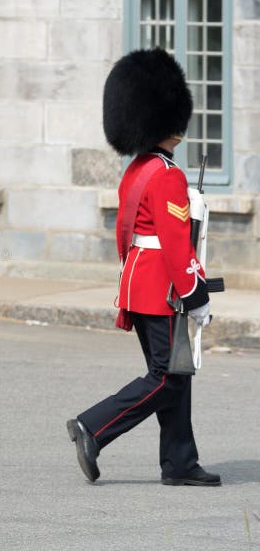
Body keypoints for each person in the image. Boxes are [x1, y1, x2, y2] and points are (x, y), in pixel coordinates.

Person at [67, 48, 220, 487]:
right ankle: (92, 427)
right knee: (167, 378)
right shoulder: (168, 175)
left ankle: (179, 462)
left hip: (139, 282)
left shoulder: (137, 170)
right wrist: (195, 296)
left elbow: (125, 235)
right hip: (162, 288)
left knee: (176, 373)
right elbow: (174, 245)